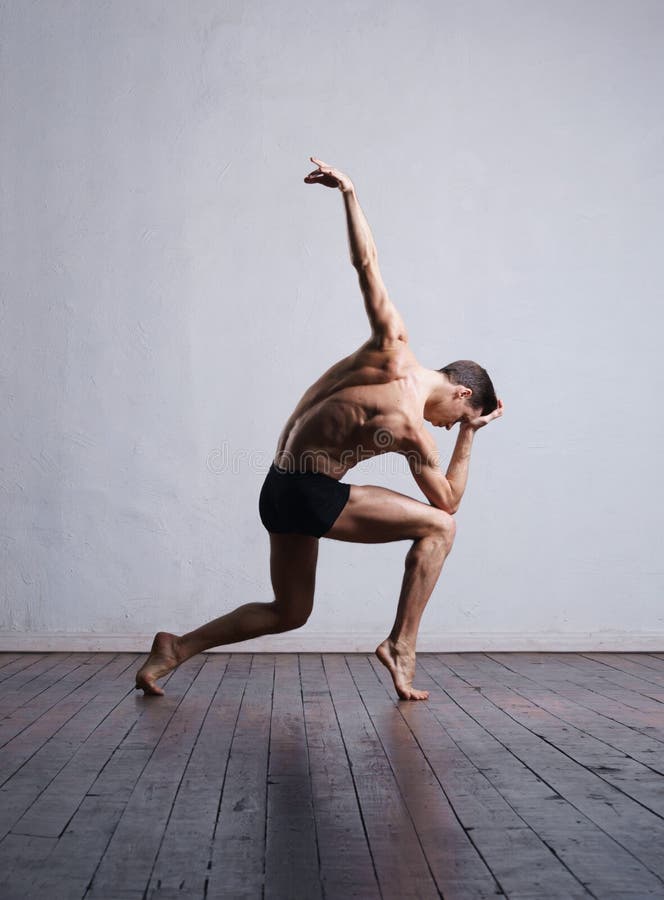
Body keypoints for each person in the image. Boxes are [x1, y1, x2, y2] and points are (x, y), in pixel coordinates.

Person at [136, 157, 504, 701]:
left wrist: (349, 193)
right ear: (462, 394)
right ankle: (402, 646)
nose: (448, 429)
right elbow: (446, 503)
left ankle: (175, 648)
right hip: (308, 495)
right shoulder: (411, 430)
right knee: (441, 529)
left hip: (277, 486)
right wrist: (474, 436)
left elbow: (367, 265)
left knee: (289, 611)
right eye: (459, 420)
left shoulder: (391, 346)